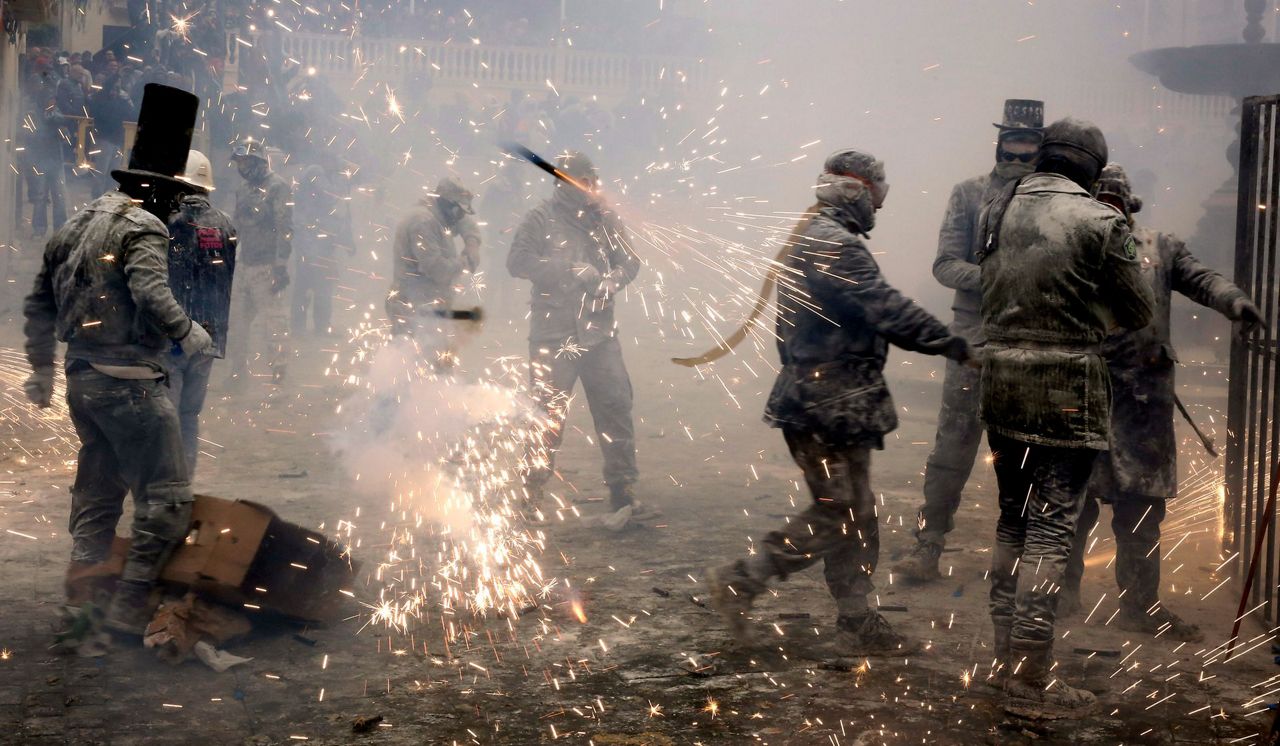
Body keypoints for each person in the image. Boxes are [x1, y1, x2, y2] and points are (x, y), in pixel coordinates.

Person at [705, 150, 972, 652]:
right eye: (878, 193)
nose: (881, 205)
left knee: (856, 512)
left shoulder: (820, 238)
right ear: (859, 190)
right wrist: (952, 342)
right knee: (841, 510)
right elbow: (883, 306)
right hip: (826, 402)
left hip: (836, 398)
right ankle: (744, 581)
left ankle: (856, 620)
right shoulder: (834, 244)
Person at [978, 118, 1154, 714]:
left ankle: (1003, 660)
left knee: (1010, 523)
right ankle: (1030, 674)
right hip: (1068, 390)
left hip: (1000, 381)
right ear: (1093, 169)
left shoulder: (996, 208)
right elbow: (1137, 310)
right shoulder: (1102, 222)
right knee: (1052, 529)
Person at [22, 84, 212, 635]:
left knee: (99, 495)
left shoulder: (77, 222)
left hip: (83, 379)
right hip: (130, 384)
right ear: (158, 189)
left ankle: (80, 606)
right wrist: (188, 333)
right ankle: (130, 607)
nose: (178, 207)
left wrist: (39, 368)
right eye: (176, 196)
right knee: (168, 501)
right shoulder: (144, 226)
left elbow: (39, 300)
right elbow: (151, 291)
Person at [1060, 163, 1261, 641]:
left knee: (1143, 509)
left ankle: (1139, 605)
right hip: (1081, 393)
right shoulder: (1067, 249)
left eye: (1116, 201)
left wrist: (1235, 302)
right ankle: (1061, 594)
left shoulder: (1159, 247)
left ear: (1131, 207)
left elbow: (1202, 279)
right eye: (1099, 199)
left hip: (1143, 402)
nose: (1108, 207)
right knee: (1072, 501)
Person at [896, 99, 1045, 583]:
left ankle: (1016, 556)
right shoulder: (969, 193)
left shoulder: (1055, 201)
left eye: (1029, 145)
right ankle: (928, 544)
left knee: (1027, 452)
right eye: (1013, 143)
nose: (1020, 154)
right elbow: (944, 264)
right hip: (975, 340)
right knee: (951, 449)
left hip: (1034, 340)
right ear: (999, 142)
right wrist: (998, 277)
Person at [507, 152, 648, 521]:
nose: (590, 189)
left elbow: (630, 262)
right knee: (546, 417)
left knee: (616, 408)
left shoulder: (604, 218)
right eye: (582, 182)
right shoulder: (540, 219)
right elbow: (517, 262)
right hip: (554, 337)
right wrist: (569, 270)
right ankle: (531, 493)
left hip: (600, 334)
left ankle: (623, 489)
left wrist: (608, 281)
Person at [167, 150, 238, 476]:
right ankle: (185, 480)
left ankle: (166, 482)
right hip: (210, 335)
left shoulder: (171, 223)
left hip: (175, 334)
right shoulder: (225, 224)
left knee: (167, 414)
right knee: (189, 416)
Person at [387, 175, 481, 363]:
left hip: (428, 306)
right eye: (458, 211)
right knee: (413, 365)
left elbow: (464, 222)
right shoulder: (423, 223)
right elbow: (438, 270)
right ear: (448, 205)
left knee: (436, 363)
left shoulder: (437, 212)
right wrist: (463, 262)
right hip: (414, 308)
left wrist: (472, 242)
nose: (460, 217)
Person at [225, 137, 292, 389]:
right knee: (237, 324)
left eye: (244, 161)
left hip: (267, 266)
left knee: (274, 324)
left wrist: (281, 265)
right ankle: (237, 373)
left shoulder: (278, 187)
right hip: (245, 264)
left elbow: (285, 227)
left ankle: (279, 379)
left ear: (257, 161)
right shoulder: (242, 190)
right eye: (238, 162)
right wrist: (230, 256)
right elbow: (237, 225)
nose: (241, 167)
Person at [293, 159, 354, 337]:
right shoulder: (315, 171)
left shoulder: (319, 176)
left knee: (318, 287)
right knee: (316, 287)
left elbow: (340, 215)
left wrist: (347, 240)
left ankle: (314, 328)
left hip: (319, 244)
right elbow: (331, 197)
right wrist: (343, 181)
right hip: (310, 243)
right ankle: (308, 329)